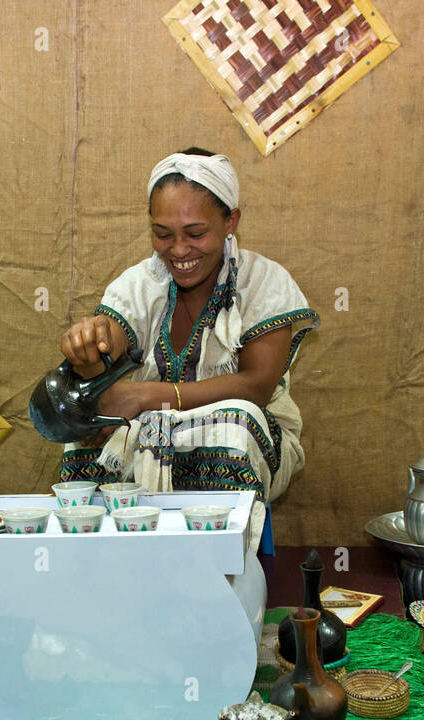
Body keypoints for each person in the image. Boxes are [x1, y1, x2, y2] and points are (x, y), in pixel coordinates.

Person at [56, 149, 319, 548]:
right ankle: (103, 562)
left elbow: (256, 387)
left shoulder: (264, 282)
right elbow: (110, 341)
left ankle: (220, 568)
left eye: (195, 233)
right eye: (163, 234)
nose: (179, 250)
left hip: (250, 434)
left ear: (231, 220)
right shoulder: (141, 283)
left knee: (232, 424)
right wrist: (89, 344)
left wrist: (146, 395)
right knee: (83, 437)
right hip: (155, 432)